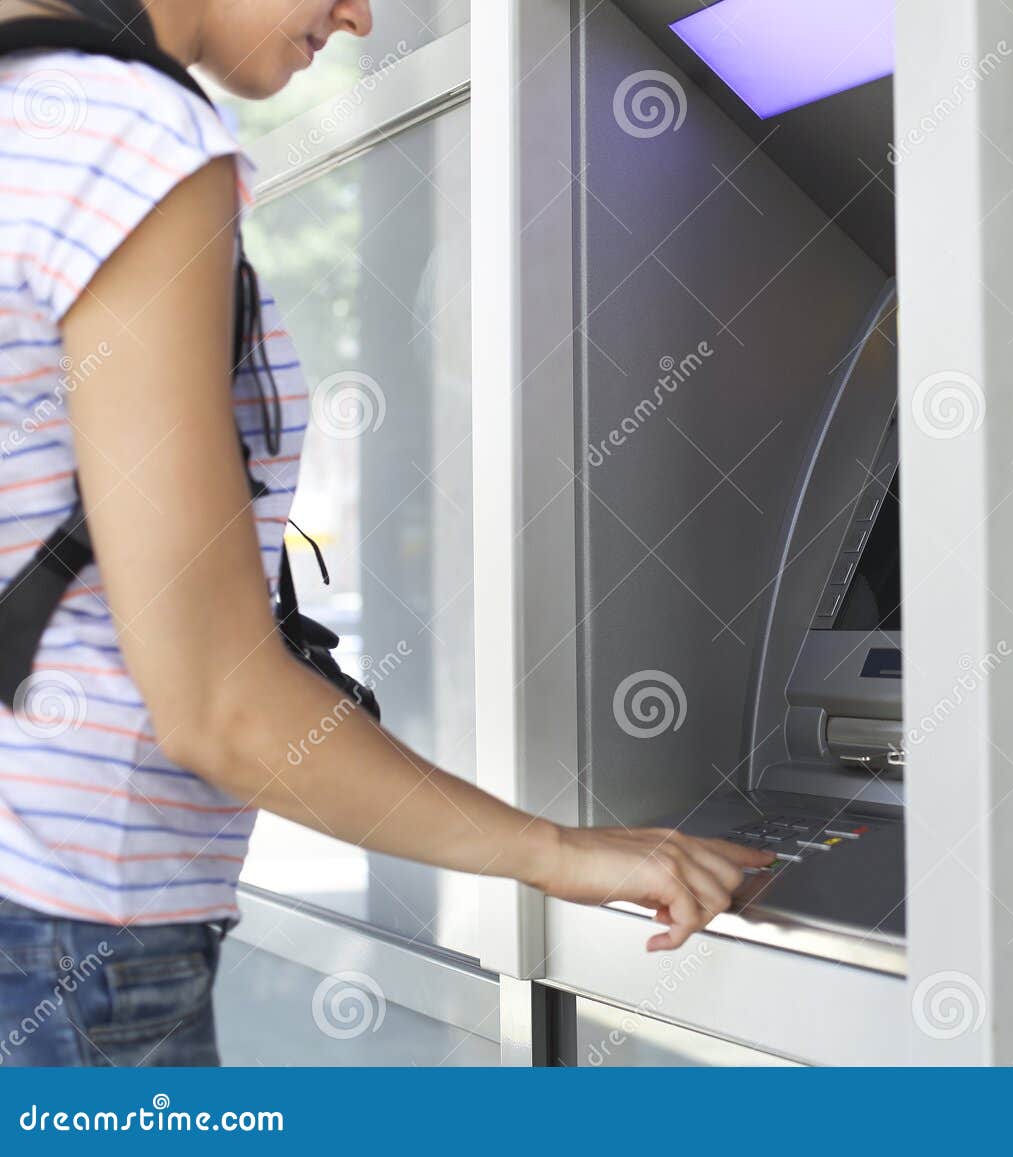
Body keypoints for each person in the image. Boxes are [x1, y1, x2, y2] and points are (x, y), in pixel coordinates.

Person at [0, 0, 771, 1068]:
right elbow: (217, 707)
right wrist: (555, 851)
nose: (362, 14)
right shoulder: (132, 141)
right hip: (66, 935)